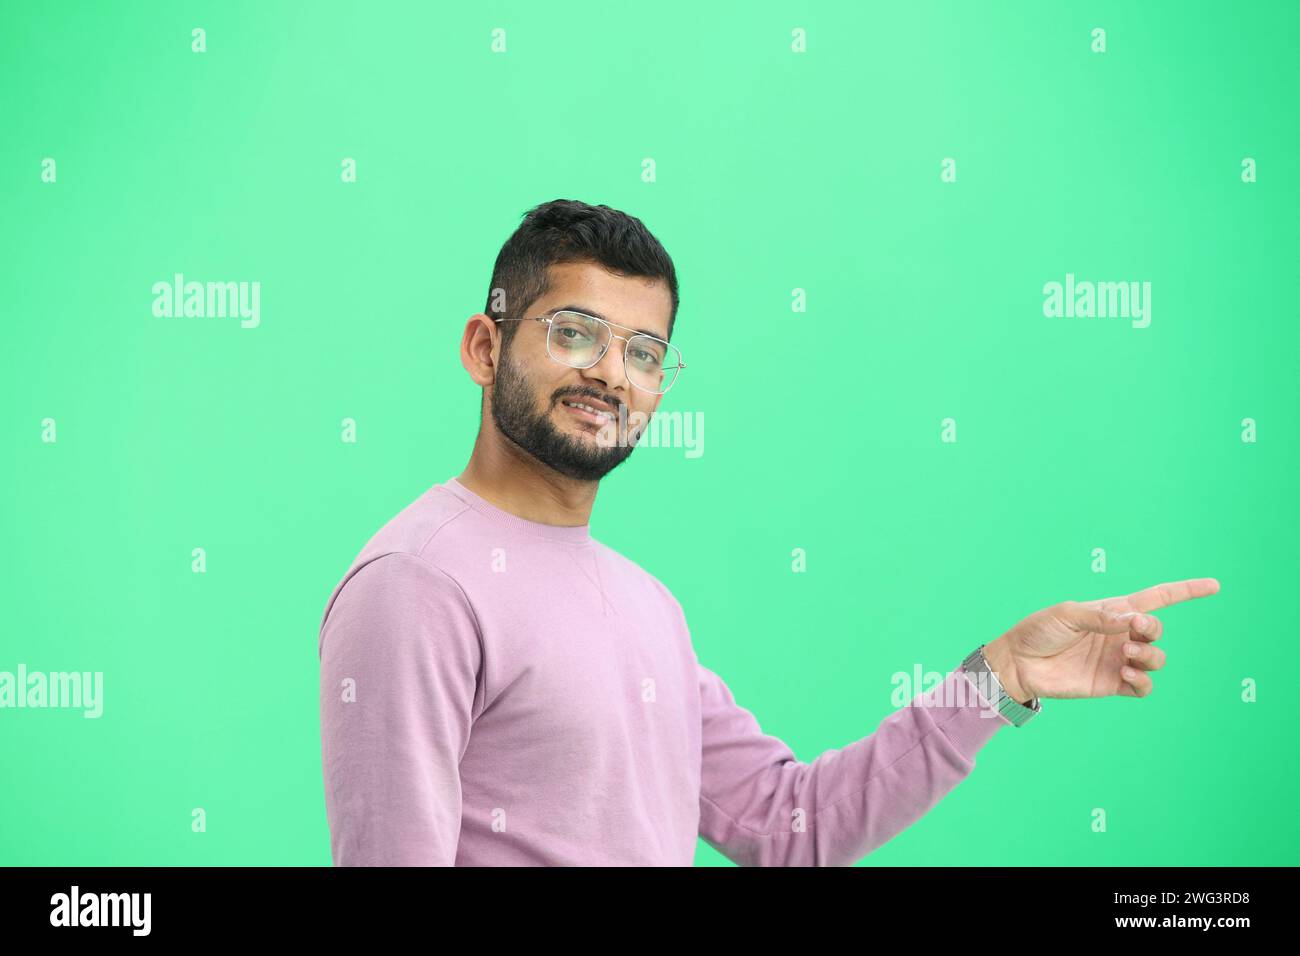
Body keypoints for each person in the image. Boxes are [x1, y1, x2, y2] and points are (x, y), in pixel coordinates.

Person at [317, 198, 1220, 866]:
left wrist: (995, 682)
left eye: (643, 352)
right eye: (575, 332)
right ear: (485, 347)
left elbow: (794, 825)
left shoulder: (647, 607)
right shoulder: (418, 582)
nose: (611, 374)